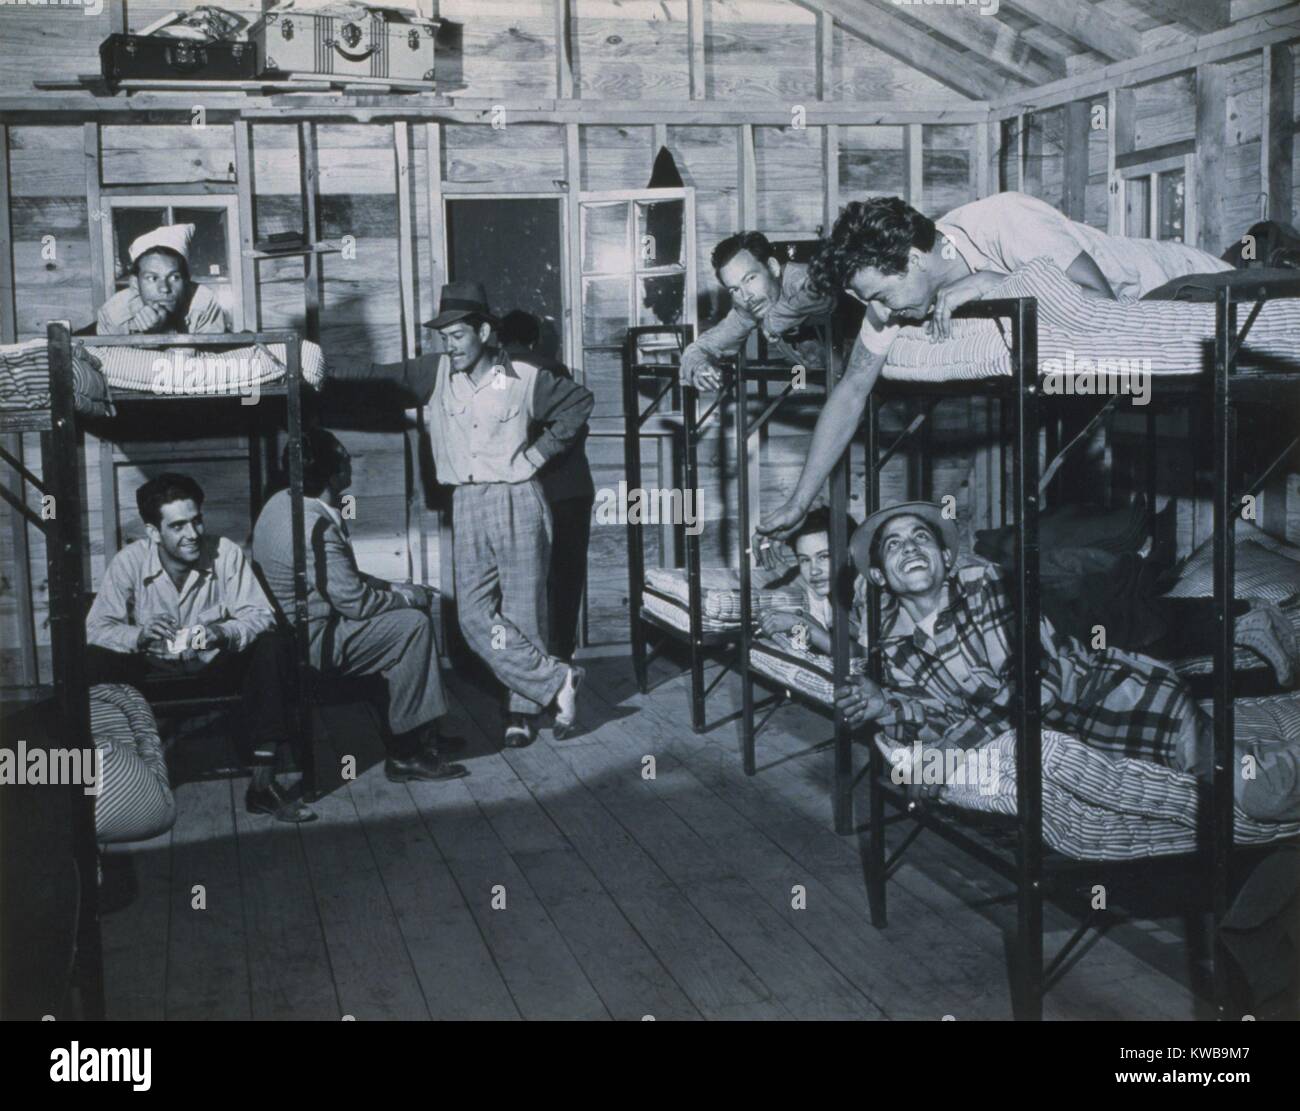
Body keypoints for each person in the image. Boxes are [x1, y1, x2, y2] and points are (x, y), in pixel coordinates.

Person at [756, 192, 1236, 547]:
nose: (882, 312)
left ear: (914, 259)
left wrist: (993, 283)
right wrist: (802, 498)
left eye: (882, 297)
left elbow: (1101, 310)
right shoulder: (889, 284)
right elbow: (852, 389)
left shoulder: (1005, 219)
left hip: (1185, 288)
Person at [833, 501, 1300, 821]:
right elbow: (943, 712)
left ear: (945, 559)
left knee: (1264, 793)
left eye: (921, 537)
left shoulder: (988, 585)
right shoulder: (893, 646)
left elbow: (1028, 686)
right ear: (878, 576)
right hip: (1071, 745)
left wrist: (952, 748)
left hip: (1117, 704)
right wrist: (888, 709)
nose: (910, 547)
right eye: (893, 545)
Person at [409, 282, 592, 748]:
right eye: (443, 337)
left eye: (456, 335)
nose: (448, 345)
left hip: (517, 497)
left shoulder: (526, 374)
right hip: (466, 501)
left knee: (524, 609)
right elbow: (374, 374)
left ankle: (521, 713)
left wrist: (536, 456)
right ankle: (555, 680)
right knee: (472, 617)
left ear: (485, 331)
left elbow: (578, 403)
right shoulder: (438, 375)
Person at [86, 473, 314, 822]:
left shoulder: (225, 554)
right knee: (94, 662)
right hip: (152, 673)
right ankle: (116, 785)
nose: (192, 534)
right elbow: (97, 629)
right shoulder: (128, 562)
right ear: (153, 532)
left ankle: (262, 785)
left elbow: (260, 616)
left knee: (273, 644)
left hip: (216, 667)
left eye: (196, 521)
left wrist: (221, 632)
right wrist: (139, 635)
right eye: (177, 526)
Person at [252, 429, 467, 783]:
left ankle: (423, 730)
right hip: (313, 642)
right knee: (411, 626)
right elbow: (354, 603)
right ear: (334, 473)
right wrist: (406, 597)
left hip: (298, 629)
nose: (350, 460)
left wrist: (392, 585)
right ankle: (406, 752)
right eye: (344, 456)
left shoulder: (281, 504)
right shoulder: (317, 526)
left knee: (407, 610)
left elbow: (334, 577)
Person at [498, 309, 595, 661]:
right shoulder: (551, 370)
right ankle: (561, 658)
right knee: (565, 578)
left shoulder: (497, 372)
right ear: (535, 339)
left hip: (522, 491)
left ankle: (523, 663)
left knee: (521, 583)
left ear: (498, 339)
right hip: (569, 491)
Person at [677, 230, 878, 392]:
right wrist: (699, 367)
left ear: (772, 267)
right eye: (735, 289)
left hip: (878, 357)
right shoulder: (748, 307)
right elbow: (700, 347)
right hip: (846, 382)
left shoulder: (800, 278)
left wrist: (774, 320)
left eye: (750, 279)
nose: (746, 295)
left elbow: (822, 296)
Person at [755, 506, 862, 656]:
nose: (814, 571)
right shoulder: (818, 588)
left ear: (850, 554)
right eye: (805, 560)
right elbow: (801, 647)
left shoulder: (872, 588)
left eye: (824, 556)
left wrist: (805, 626)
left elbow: (869, 657)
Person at [96, 223, 228, 336]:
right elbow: (108, 362)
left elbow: (210, 362)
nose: (164, 288)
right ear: (135, 283)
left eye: (174, 277)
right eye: (152, 278)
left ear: (187, 281)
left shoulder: (204, 302)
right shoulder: (113, 312)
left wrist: (165, 331)